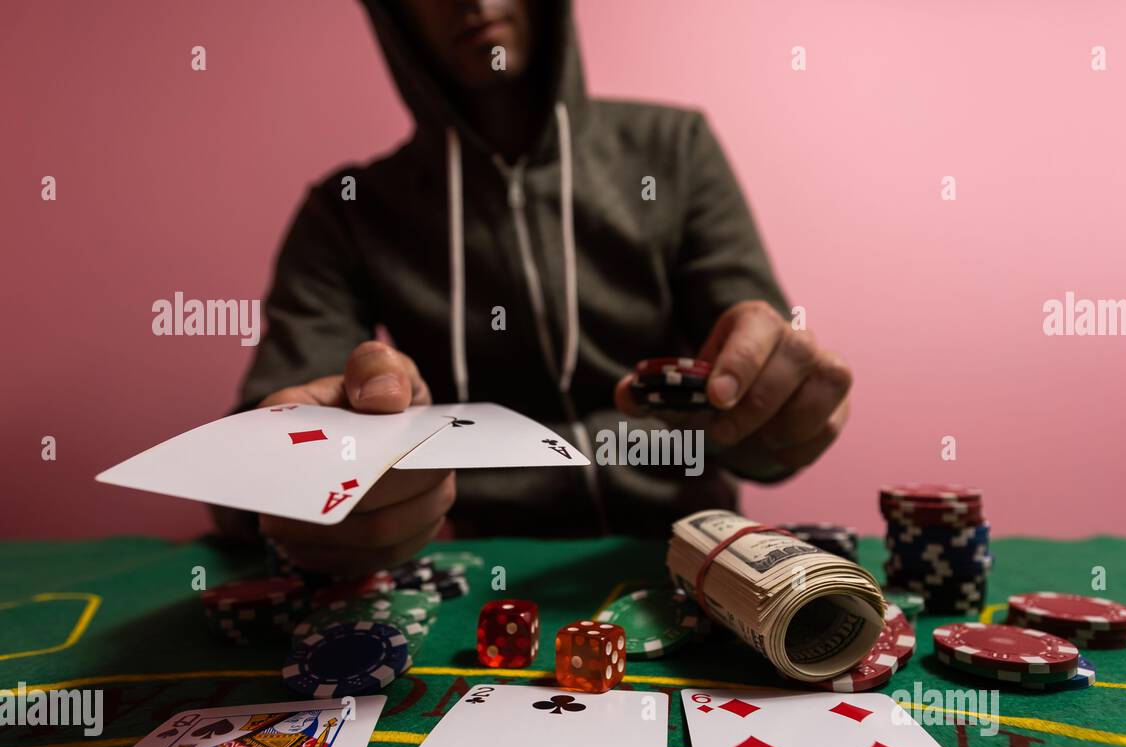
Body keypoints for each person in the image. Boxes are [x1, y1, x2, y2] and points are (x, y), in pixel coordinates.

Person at [219, 0, 852, 576]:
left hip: (685, 557)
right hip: (462, 568)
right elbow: (250, 471)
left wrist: (782, 412)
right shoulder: (348, 210)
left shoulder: (674, 150)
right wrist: (297, 477)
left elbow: (759, 410)